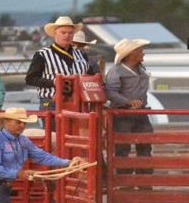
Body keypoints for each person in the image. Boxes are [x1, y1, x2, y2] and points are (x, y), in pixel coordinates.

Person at [25, 16, 98, 114]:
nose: (67, 35)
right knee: (52, 130)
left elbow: (91, 76)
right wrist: (54, 82)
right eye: (63, 32)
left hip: (78, 102)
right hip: (51, 102)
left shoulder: (81, 54)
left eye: (70, 33)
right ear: (55, 34)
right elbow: (30, 78)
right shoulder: (42, 54)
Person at [106, 38, 153, 173]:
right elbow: (109, 92)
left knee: (145, 145)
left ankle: (143, 181)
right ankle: (125, 181)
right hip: (123, 114)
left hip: (140, 113)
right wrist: (128, 102)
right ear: (132, 54)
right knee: (122, 148)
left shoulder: (140, 68)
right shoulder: (116, 71)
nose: (143, 53)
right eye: (140, 51)